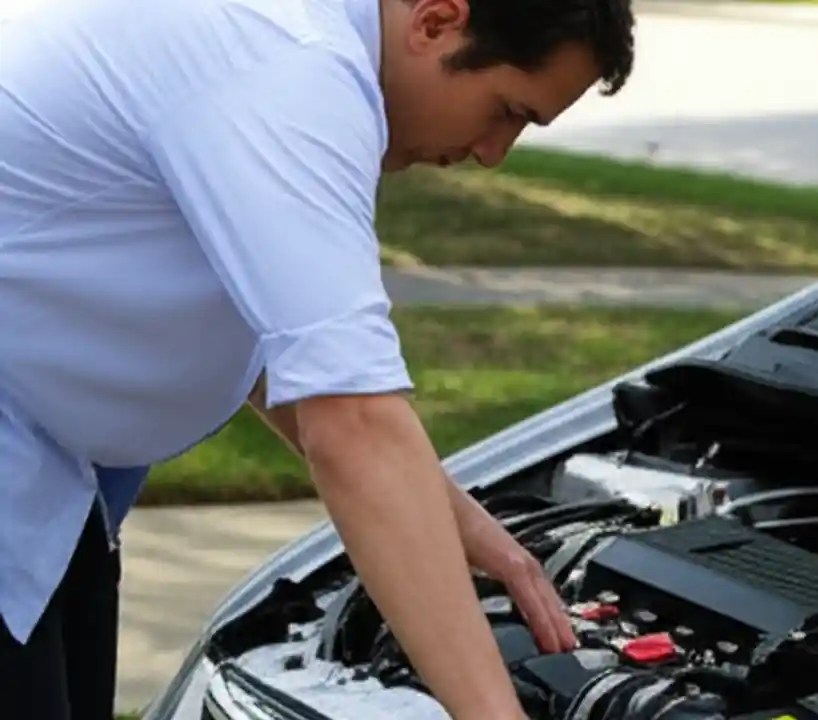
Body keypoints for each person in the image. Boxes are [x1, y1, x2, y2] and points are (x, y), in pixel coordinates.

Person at [0, 0, 635, 716]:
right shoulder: (289, 72)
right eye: (508, 111)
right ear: (435, 21)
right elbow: (353, 422)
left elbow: (291, 356)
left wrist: (464, 525)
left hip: (53, 485)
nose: (494, 152)